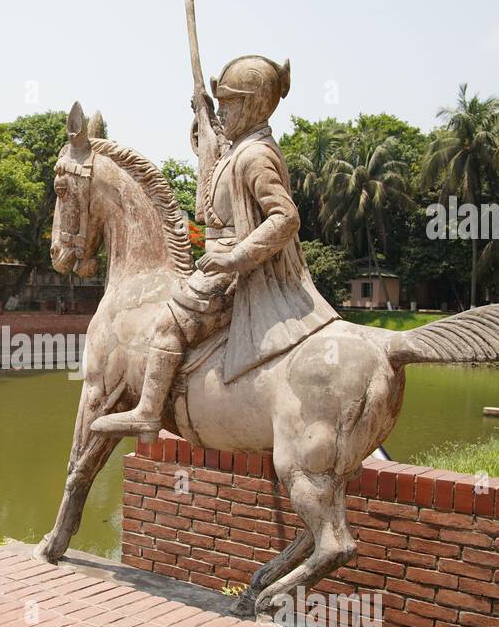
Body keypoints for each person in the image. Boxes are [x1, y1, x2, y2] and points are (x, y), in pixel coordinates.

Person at [91, 54, 338, 437]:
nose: (222, 113)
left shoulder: (255, 155)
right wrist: (203, 114)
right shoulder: (238, 149)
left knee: (170, 321)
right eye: (219, 104)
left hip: (237, 273)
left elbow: (285, 217)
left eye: (228, 104)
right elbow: (213, 157)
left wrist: (237, 257)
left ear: (253, 104)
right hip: (221, 262)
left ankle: (148, 411)